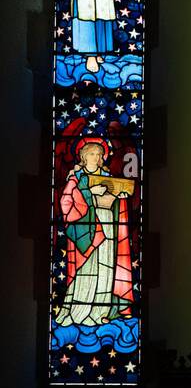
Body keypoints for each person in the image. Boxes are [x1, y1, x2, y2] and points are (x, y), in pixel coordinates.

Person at [55, 136, 133, 328]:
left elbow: (116, 200)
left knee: (106, 267)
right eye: (92, 154)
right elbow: (66, 203)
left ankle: (100, 312)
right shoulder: (75, 179)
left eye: (99, 154)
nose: (96, 157)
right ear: (83, 156)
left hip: (107, 224)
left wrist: (119, 197)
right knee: (88, 269)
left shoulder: (108, 178)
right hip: (87, 227)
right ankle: (80, 311)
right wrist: (90, 194)